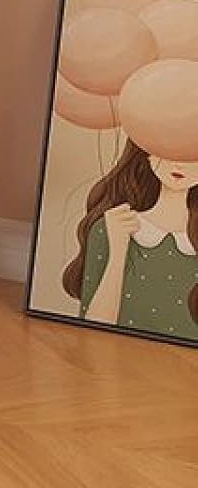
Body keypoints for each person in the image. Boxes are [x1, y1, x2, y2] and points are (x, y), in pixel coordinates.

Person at [64, 139, 198, 341]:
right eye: (167, 148)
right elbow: (92, 328)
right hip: (119, 357)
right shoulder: (113, 226)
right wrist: (118, 250)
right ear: (146, 151)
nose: (179, 163)